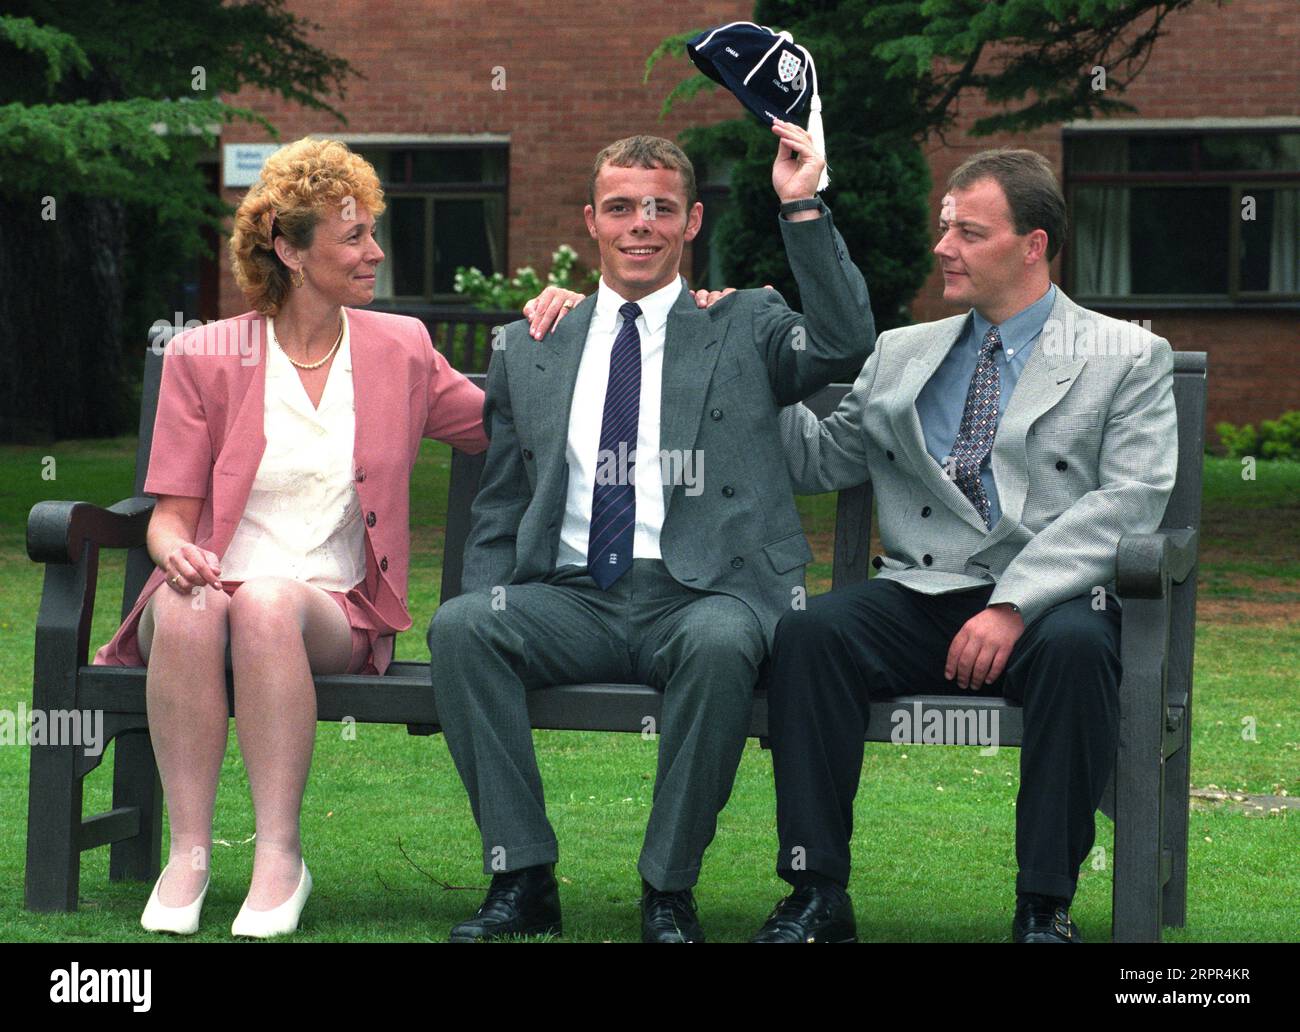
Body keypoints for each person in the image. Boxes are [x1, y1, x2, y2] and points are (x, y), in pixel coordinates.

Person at [427, 125, 873, 942]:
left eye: (661, 208)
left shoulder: (745, 323)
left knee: (718, 644)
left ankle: (668, 889)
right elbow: (501, 501)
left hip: (704, 594)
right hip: (570, 597)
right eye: (622, 207)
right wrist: (488, 589)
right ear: (590, 221)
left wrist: (801, 201)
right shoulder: (535, 343)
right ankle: (523, 879)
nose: (641, 224)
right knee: (463, 627)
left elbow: (845, 343)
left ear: (692, 222)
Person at [749, 148, 1178, 943]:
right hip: (923, 593)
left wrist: (1014, 602)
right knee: (810, 634)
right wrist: (754, 367)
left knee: (1082, 648)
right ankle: (816, 894)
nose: (943, 246)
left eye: (969, 232)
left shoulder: (1127, 356)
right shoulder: (902, 352)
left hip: (1049, 603)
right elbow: (817, 460)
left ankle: (1043, 906)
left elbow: (1130, 501)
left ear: (1033, 244)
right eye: (945, 227)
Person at [92, 138, 488, 938]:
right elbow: (169, 515)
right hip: (207, 600)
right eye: (353, 236)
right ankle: (189, 853)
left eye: (373, 232)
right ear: (288, 249)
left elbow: (502, 423)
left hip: (331, 609)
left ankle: (280, 855)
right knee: (201, 602)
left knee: (266, 602)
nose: (374, 251)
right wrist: (176, 552)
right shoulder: (205, 354)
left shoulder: (399, 348)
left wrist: (578, 321)